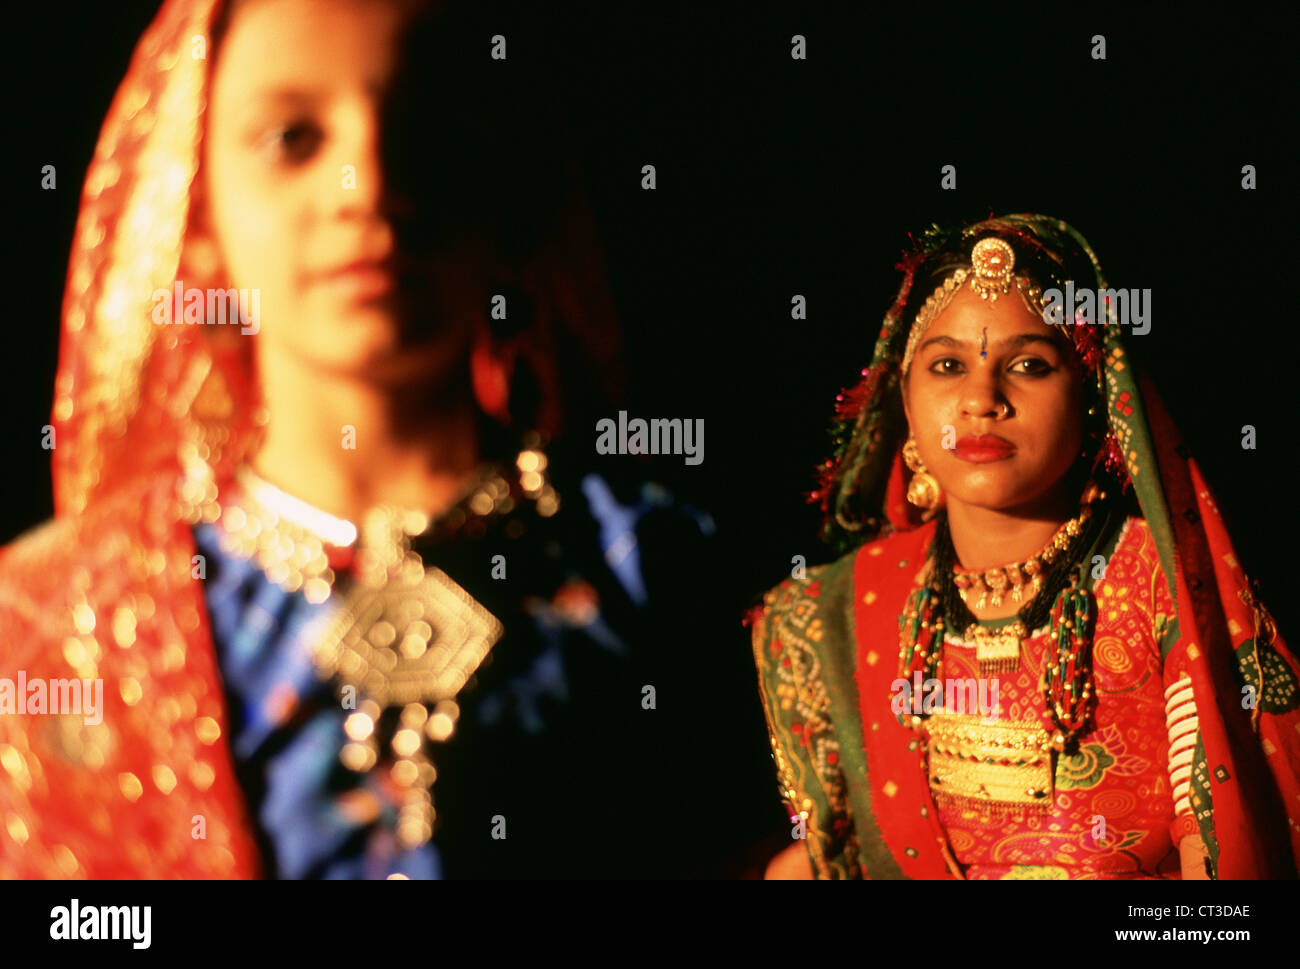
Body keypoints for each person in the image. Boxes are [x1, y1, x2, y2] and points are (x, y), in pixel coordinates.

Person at [0, 0, 725, 878]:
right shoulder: (59, 620)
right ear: (195, 225)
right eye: (292, 139)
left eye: (433, 127)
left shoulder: (655, 565)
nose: (367, 184)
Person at [750, 214, 1300, 880]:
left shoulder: (1168, 586)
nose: (981, 399)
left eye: (1030, 365)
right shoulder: (828, 614)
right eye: (948, 365)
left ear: (1094, 396)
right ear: (905, 396)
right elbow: (827, 857)